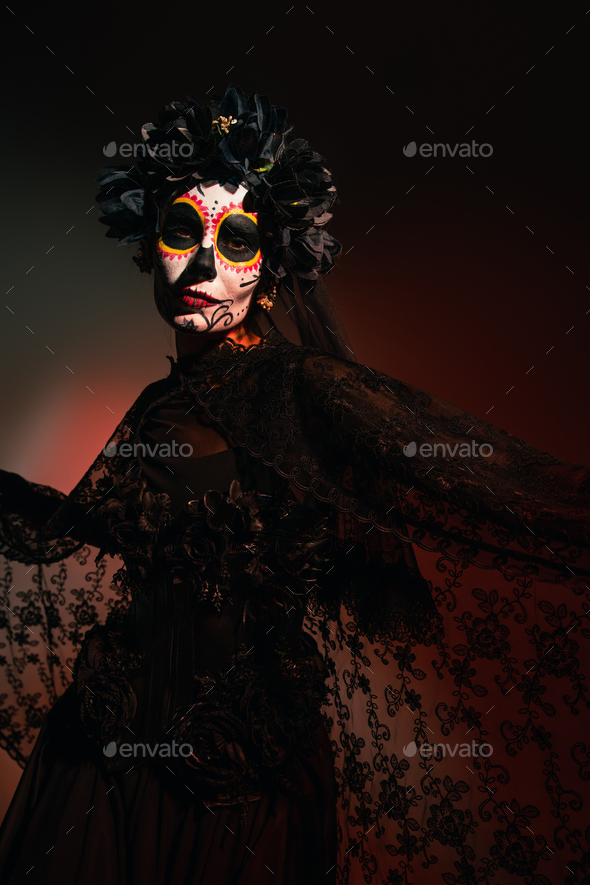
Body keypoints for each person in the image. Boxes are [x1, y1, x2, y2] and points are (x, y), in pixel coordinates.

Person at [0, 85, 589, 885]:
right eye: (182, 230)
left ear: (270, 275)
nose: (203, 263)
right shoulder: (155, 404)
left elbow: (478, 472)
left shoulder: (301, 389)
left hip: (240, 778)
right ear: (148, 247)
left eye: (235, 240)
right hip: (106, 751)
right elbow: (75, 530)